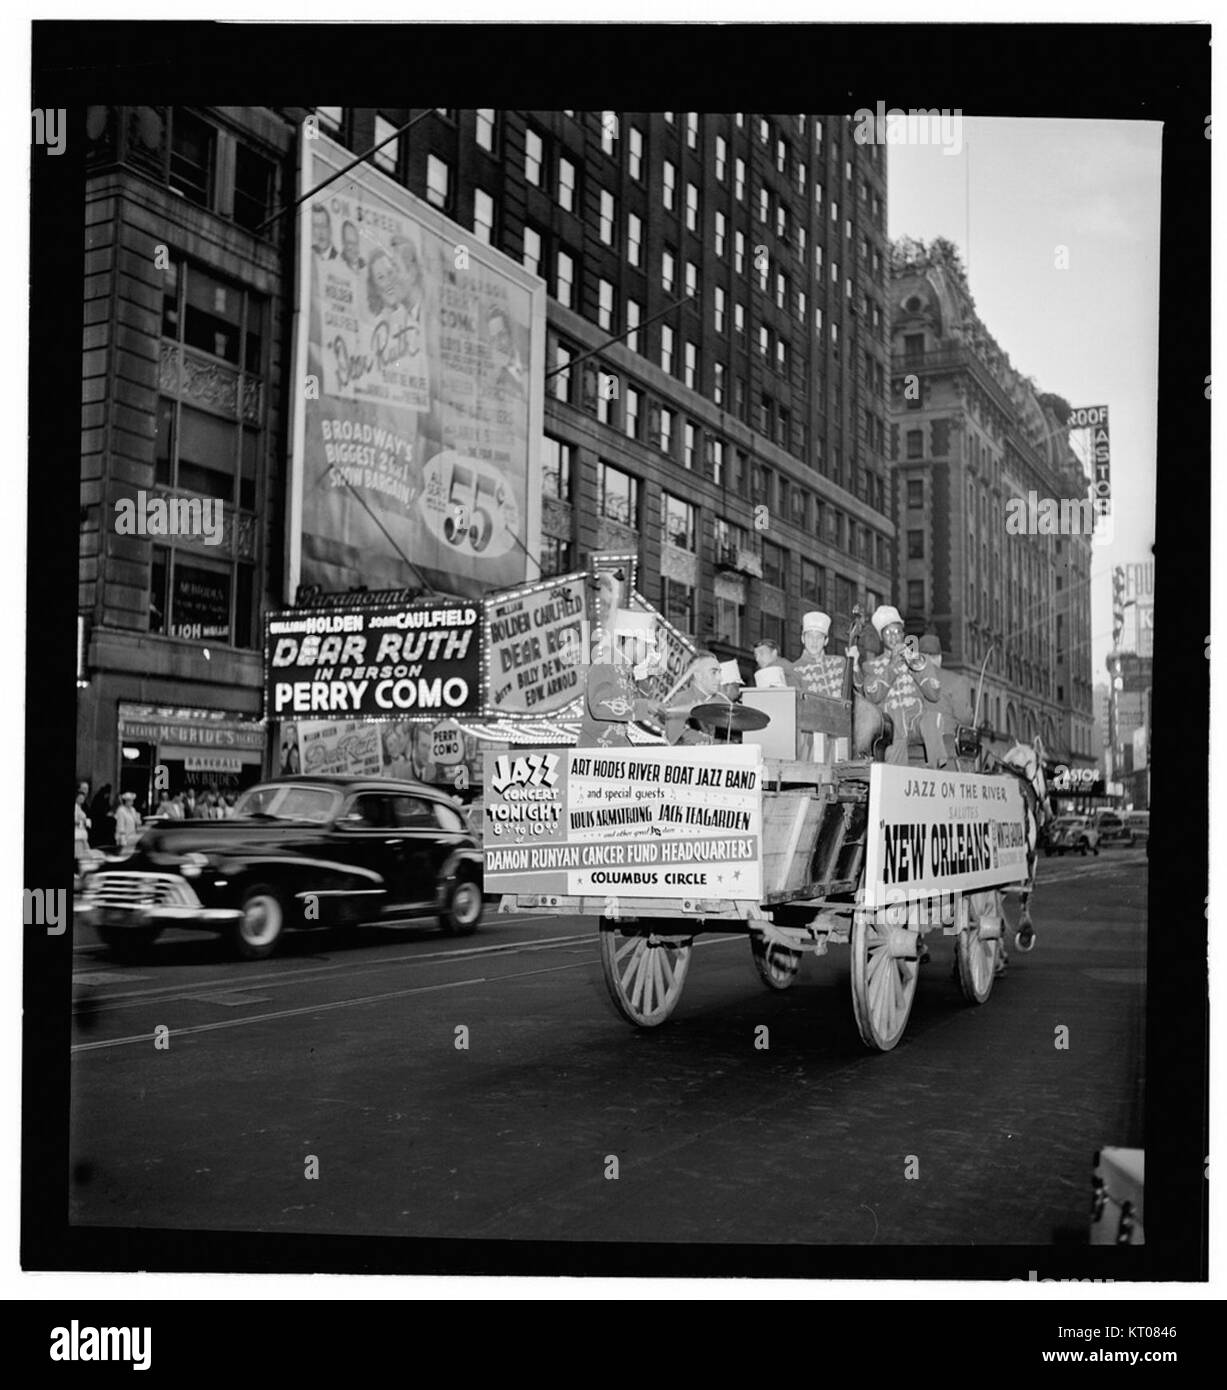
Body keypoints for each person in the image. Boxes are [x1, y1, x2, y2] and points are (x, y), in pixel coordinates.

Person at [861, 605, 941, 766]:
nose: (894, 637)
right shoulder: (870, 666)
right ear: (881, 637)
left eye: (898, 632)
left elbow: (934, 695)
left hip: (915, 724)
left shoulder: (920, 659)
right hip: (890, 729)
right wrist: (892, 668)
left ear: (904, 634)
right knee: (896, 723)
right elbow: (873, 696)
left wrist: (914, 666)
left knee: (932, 718)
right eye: (888, 633)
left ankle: (937, 768)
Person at [916, 633, 976, 769]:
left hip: (912, 752)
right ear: (939, 658)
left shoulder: (909, 680)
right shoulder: (956, 681)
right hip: (945, 753)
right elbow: (965, 718)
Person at [74, 790, 92, 869]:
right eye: (80, 797)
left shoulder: (79, 807)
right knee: (79, 853)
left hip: (82, 833)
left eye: (83, 797)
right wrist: (84, 822)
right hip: (78, 834)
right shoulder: (75, 807)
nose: (82, 799)